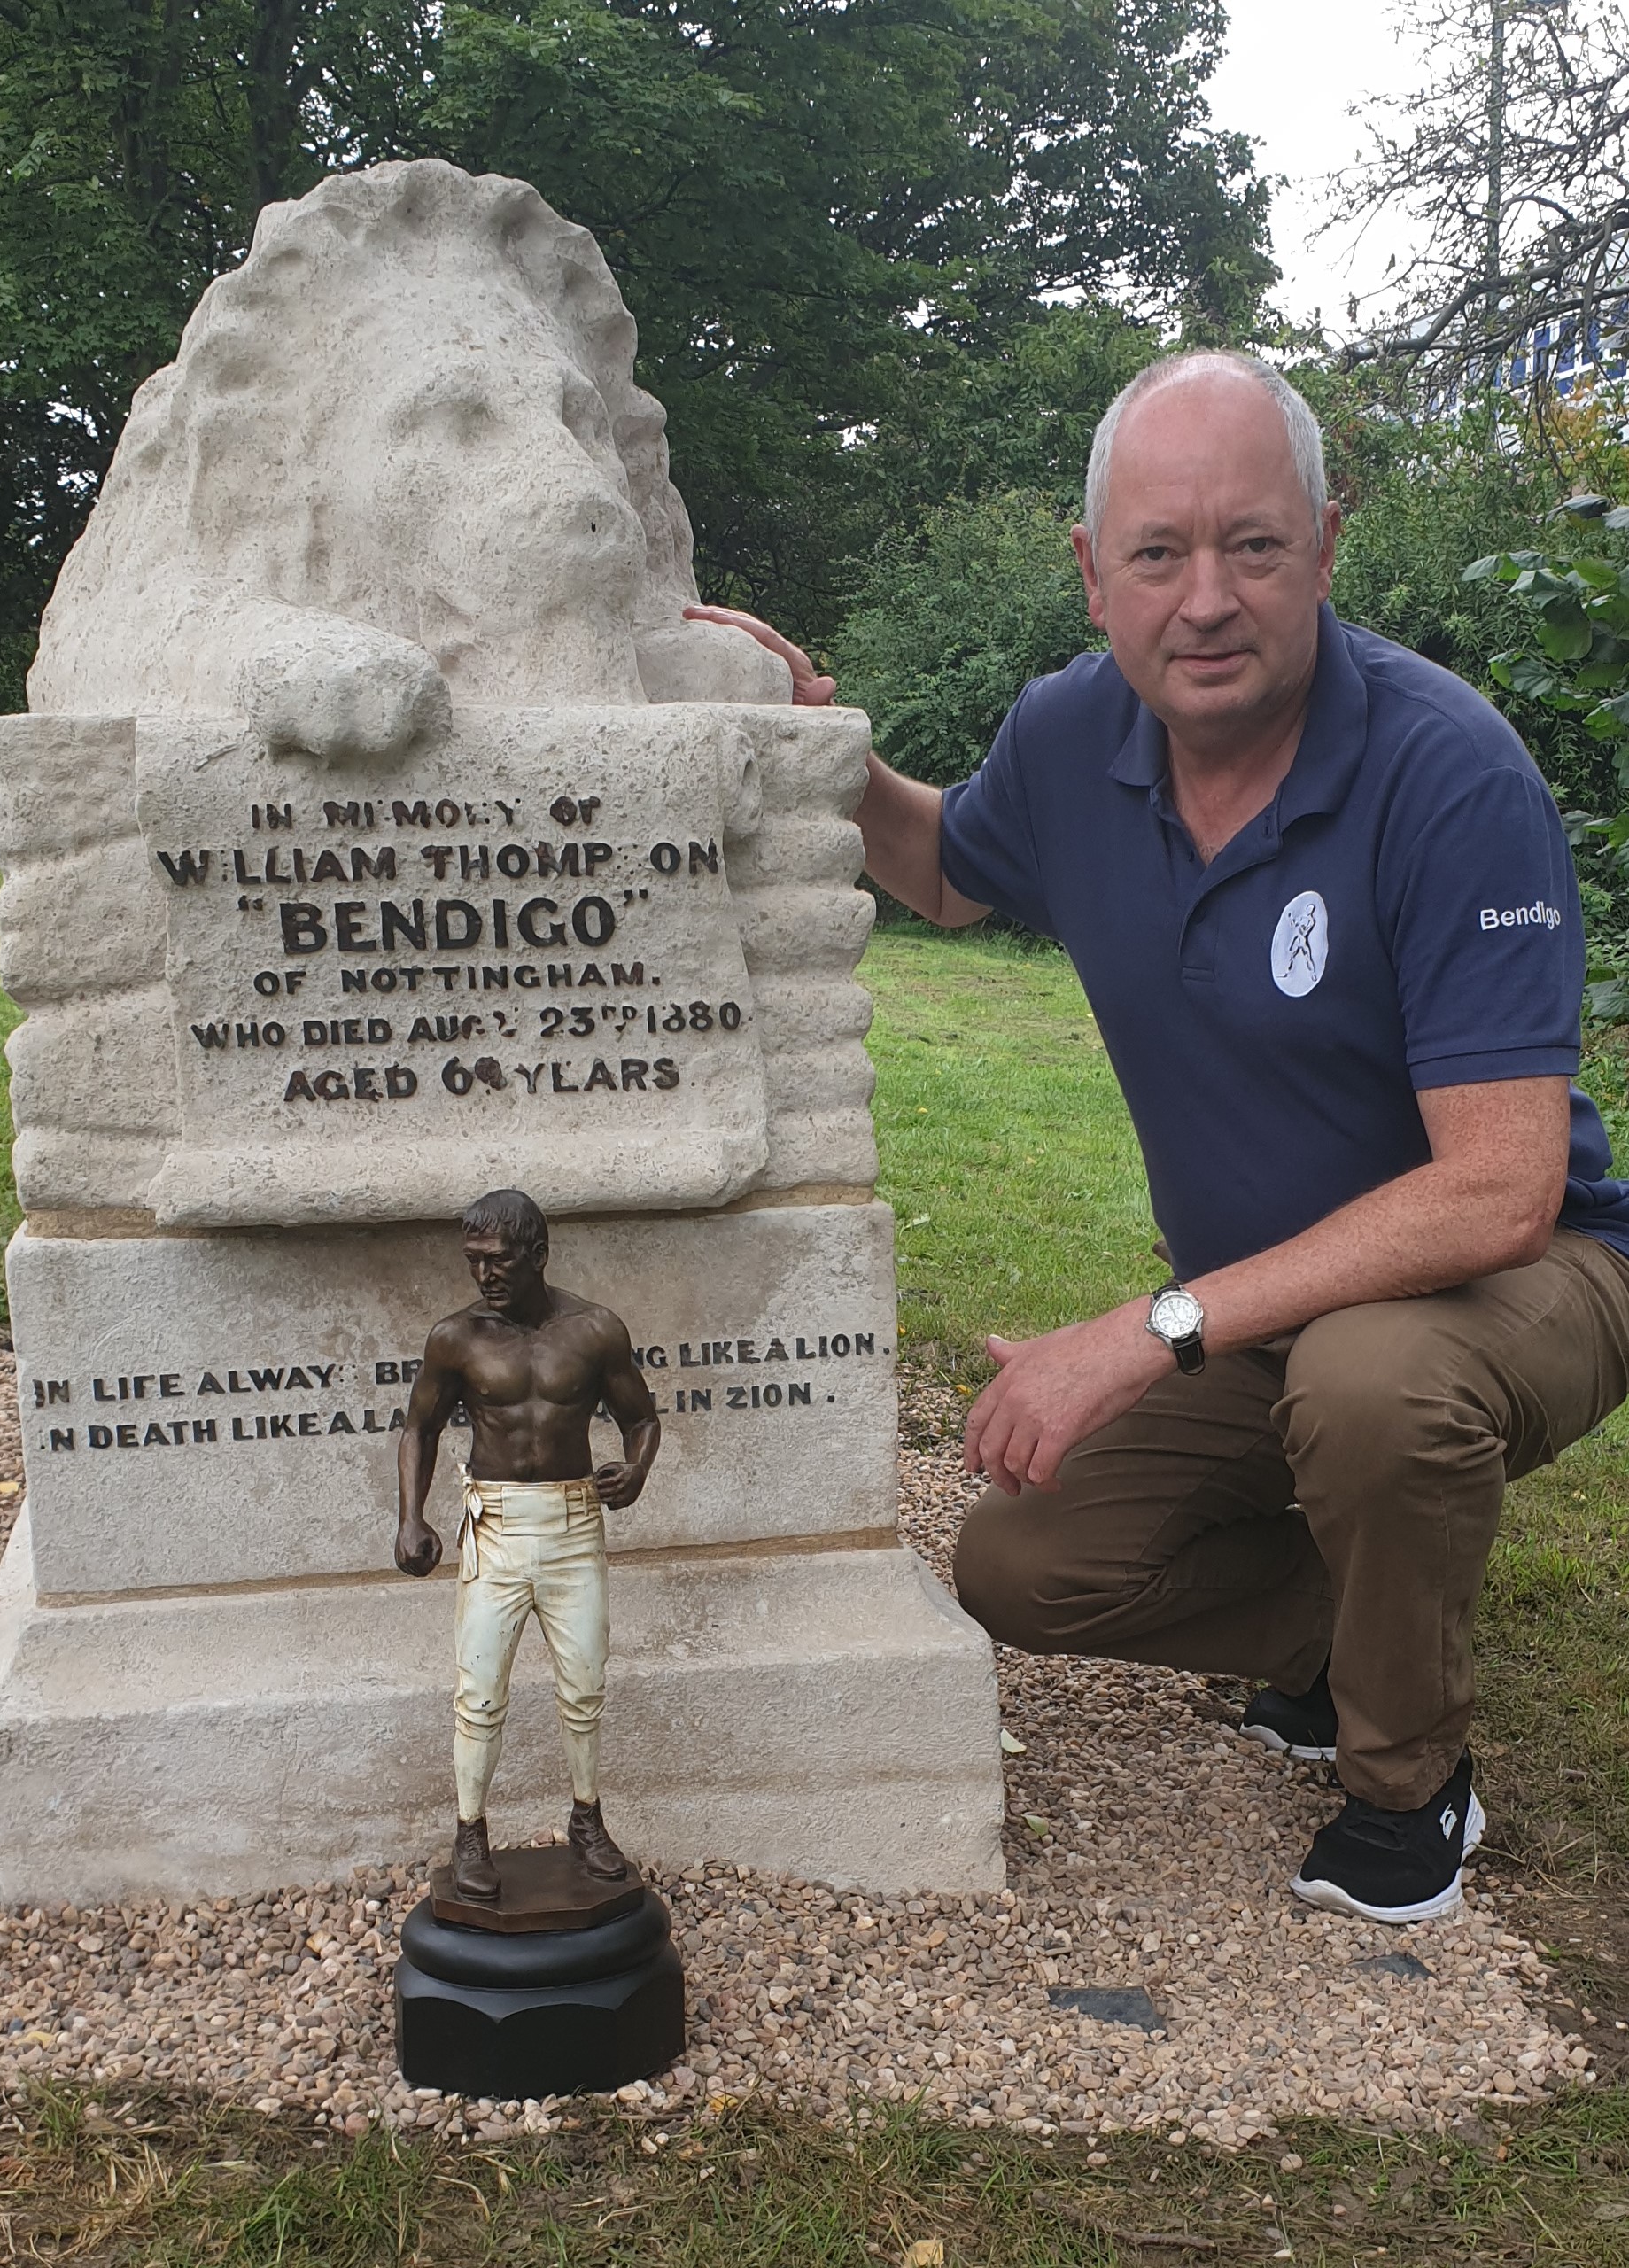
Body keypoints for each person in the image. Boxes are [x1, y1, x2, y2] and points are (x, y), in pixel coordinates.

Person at [687, 349, 1629, 1925]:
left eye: (1251, 546)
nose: (1204, 598)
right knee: (1021, 1565)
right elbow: (941, 873)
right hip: (1271, 1296)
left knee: (1373, 1389)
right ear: (1089, 576)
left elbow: (1495, 1186)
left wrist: (1144, 1330)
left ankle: (1406, 1786)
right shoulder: (1070, 739)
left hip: (1531, 1273)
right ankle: (1344, 1624)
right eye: (1157, 552)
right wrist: (814, 742)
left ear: (1324, 547)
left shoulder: (1441, 769)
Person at [395, 1188, 661, 1901]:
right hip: (497, 1527)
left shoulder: (595, 1330)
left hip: (574, 1522)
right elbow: (418, 1426)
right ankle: (469, 1831)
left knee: (584, 1687)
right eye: (473, 1261)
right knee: (478, 1692)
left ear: (538, 1255)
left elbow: (641, 1416)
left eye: (498, 1260)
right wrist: (410, 1518)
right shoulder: (456, 1339)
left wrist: (636, 1468)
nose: (484, 1276)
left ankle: (585, 1817)